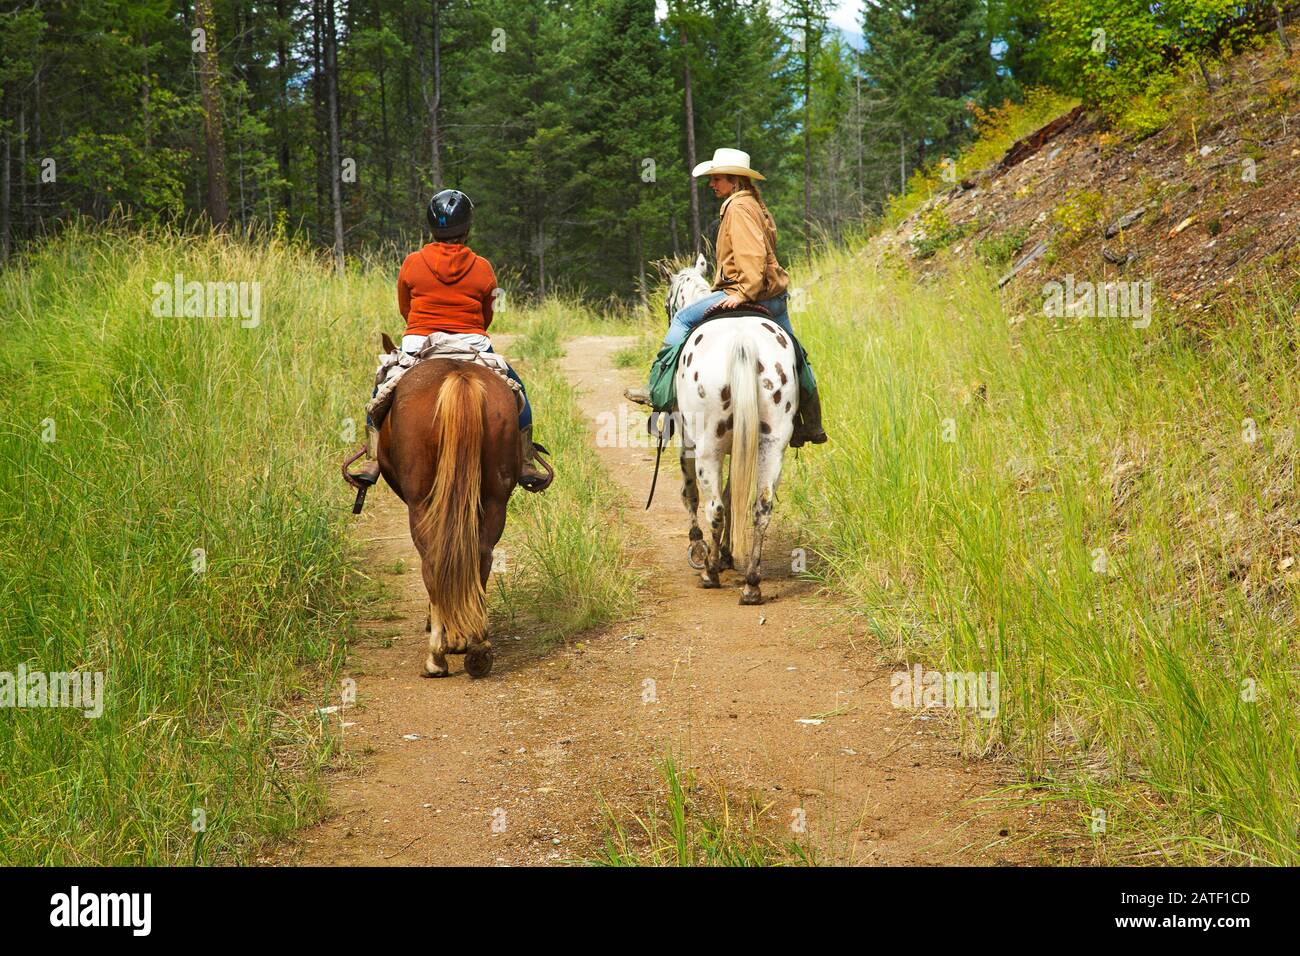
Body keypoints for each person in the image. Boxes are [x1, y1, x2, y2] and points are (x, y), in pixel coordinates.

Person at [347, 188, 552, 491]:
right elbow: (487, 314)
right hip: (471, 343)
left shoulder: (412, 263)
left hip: (420, 343)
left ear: (432, 227)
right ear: (467, 228)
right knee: (517, 391)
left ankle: (374, 458)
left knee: (380, 390)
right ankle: (524, 460)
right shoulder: (482, 267)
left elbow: (406, 308)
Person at [625, 147, 826, 447]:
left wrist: (742, 293)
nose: (711, 184)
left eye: (716, 179)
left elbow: (752, 256)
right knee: (796, 354)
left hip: (747, 291)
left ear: (734, 180)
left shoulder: (738, 208)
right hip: (774, 296)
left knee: (682, 318)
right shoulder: (755, 204)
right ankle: (811, 421)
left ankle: (658, 394)